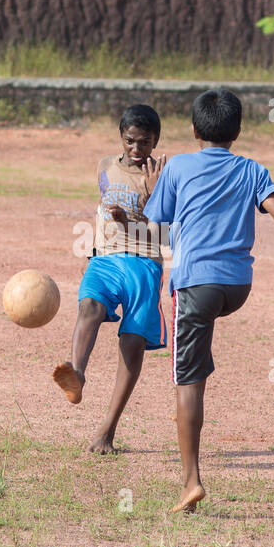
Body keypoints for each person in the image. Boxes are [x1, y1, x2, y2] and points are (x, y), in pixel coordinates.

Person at [140, 89, 274, 512]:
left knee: (187, 380)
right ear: (239, 131)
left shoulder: (177, 166)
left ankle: (191, 481)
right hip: (236, 287)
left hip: (195, 284)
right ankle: (195, 376)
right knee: (196, 355)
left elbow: (155, 217)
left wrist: (154, 186)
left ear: (194, 129)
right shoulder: (251, 169)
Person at [53, 104, 168, 455]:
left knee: (131, 343)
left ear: (155, 141)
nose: (136, 149)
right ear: (121, 137)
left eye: (144, 143)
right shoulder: (104, 166)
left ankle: (108, 429)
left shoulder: (165, 175)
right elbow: (101, 209)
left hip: (144, 263)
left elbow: (163, 232)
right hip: (104, 259)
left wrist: (149, 199)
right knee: (89, 307)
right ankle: (78, 373)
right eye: (130, 141)